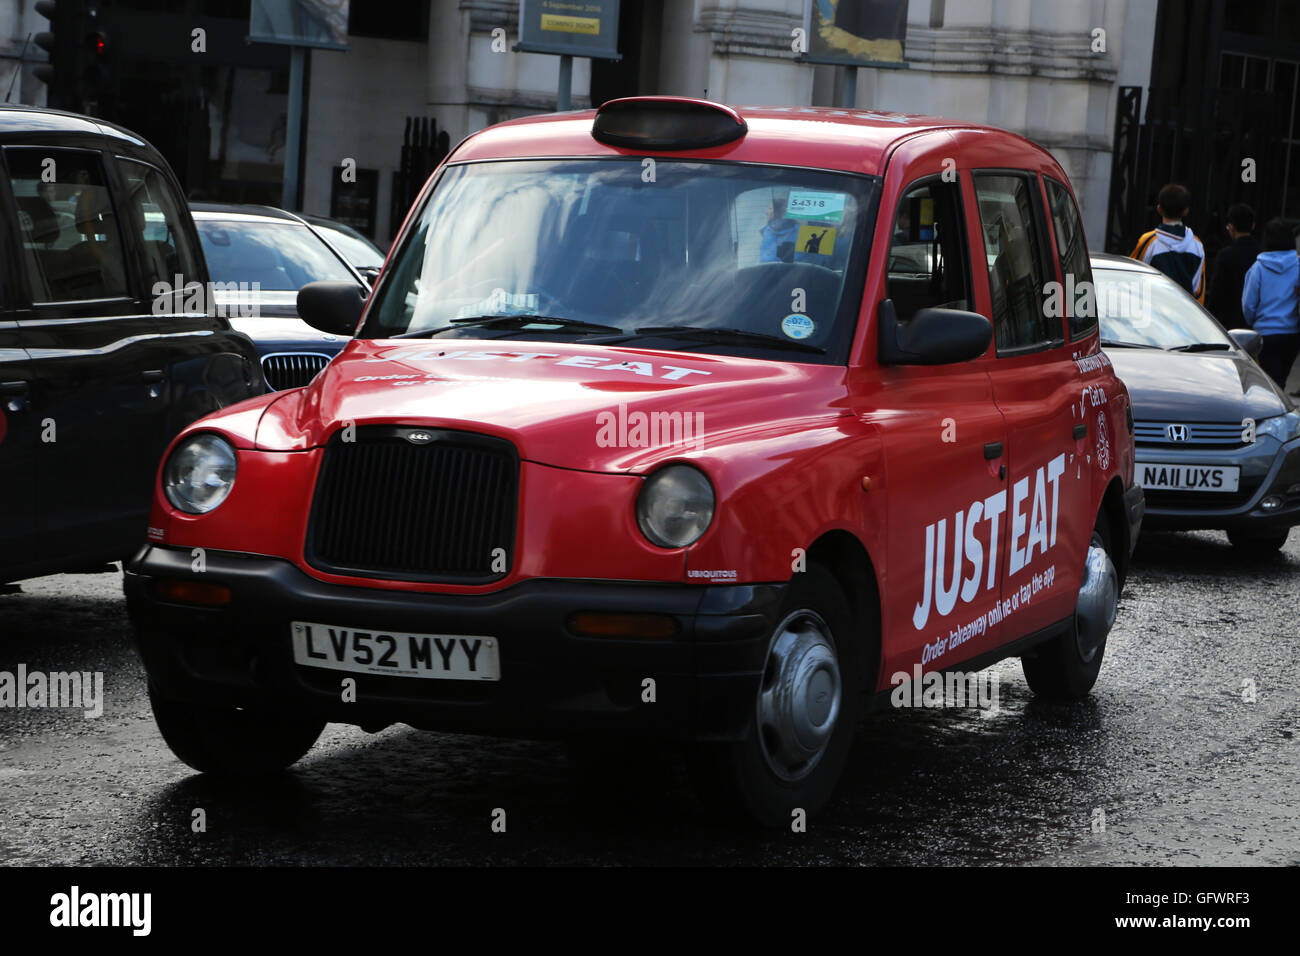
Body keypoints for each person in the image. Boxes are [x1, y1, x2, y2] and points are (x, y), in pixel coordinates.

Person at [1241, 218, 1300, 387]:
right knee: (1281, 381)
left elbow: (1248, 305)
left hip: (1265, 333)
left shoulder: (1258, 268)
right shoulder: (1298, 266)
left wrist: (1252, 322)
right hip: (1292, 333)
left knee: (1269, 384)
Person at [1131, 183, 1206, 302]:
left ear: (1159, 209)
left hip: (1154, 312)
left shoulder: (1148, 241)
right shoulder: (1197, 245)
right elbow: (1198, 290)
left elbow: (1133, 277)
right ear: (1186, 211)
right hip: (1184, 313)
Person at [1208, 203, 1260, 328]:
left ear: (1231, 227)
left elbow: (1216, 292)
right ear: (1253, 226)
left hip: (1227, 322)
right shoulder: (1261, 254)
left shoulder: (1225, 255)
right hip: (1254, 323)